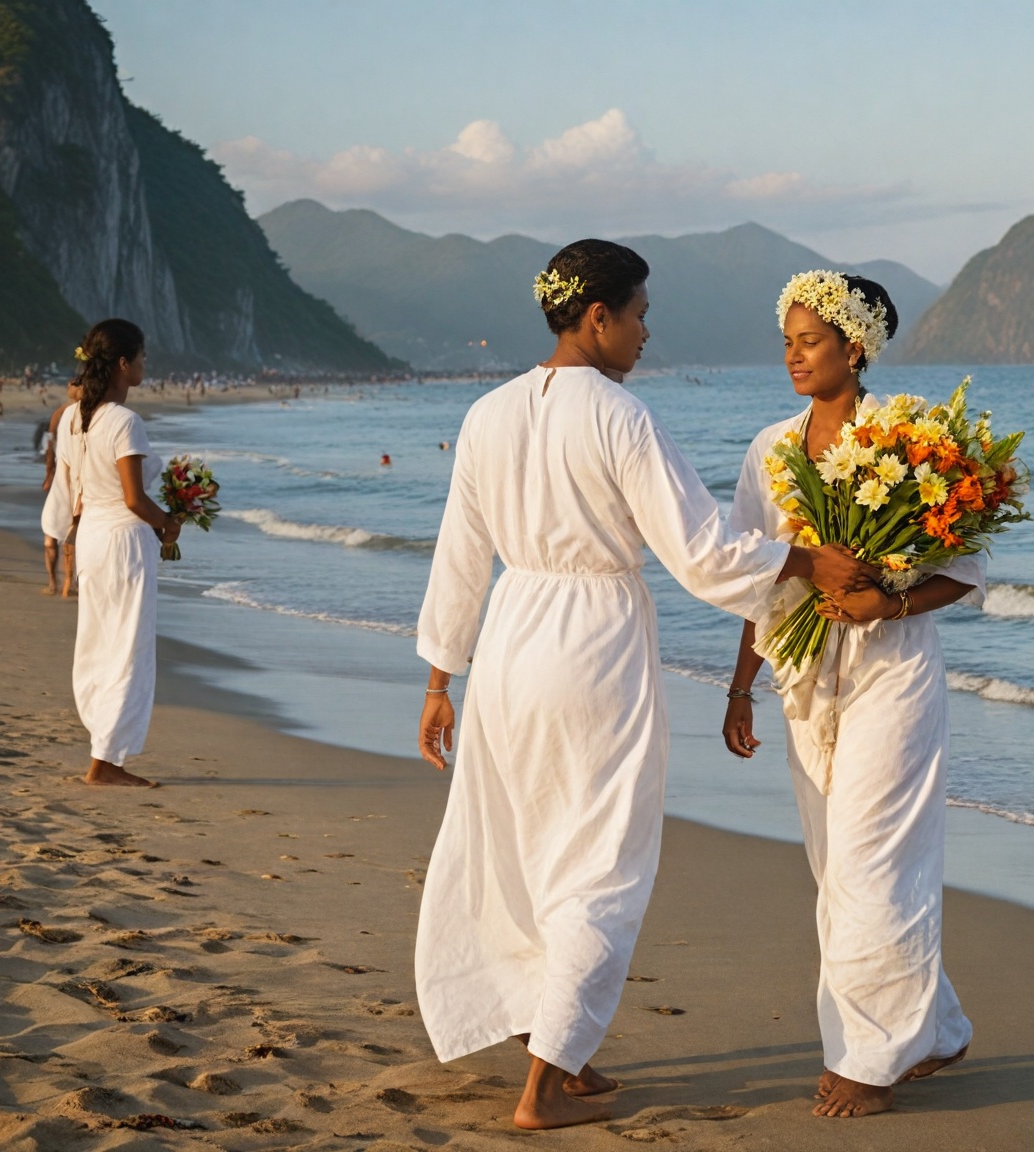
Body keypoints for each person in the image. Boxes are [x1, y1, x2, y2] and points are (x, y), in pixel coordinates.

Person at [411, 240, 876, 1131]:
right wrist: (806, 559)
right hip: (592, 645)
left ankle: (560, 1047)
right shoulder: (622, 417)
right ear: (598, 318)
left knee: (525, 841)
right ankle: (542, 1089)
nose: (644, 333)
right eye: (639, 315)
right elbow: (701, 551)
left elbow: (461, 555)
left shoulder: (489, 414)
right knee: (600, 860)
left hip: (511, 640)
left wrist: (441, 678)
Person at [721, 270, 980, 1118]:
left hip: (893, 672)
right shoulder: (769, 449)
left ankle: (869, 1057)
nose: (794, 356)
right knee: (839, 868)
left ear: (855, 347)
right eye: (788, 341)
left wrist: (888, 600)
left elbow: (967, 571)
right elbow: (761, 580)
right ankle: (935, 1027)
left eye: (811, 341)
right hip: (806, 678)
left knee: (873, 861)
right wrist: (741, 687)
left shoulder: (909, 442)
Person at [66, 320, 178, 787]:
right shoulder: (124, 421)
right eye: (143, 357)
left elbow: (80, 487)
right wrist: (168, 525)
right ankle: (106, 762)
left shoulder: (76, 416)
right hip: (123, 542)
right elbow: (134, 498)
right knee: (126, 648)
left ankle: (102, 749)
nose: (146, 365)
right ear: (123, 364)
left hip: (92, 535)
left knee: (97, 643)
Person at [39, 381, 83, 595]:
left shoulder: (62, 413)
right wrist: (49, 474)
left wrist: (49, 473)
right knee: (68, 530)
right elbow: (50, 445)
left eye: (73, 384)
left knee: (54, 531)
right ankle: (65, 582)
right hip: (72, 478)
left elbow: (50, 446)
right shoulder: (71, 412)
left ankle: (57, 582)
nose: (68, 386)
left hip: (62, 477)